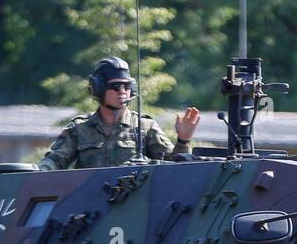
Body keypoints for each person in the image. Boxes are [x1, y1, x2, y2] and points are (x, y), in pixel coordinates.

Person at [38, 56, 200, 170]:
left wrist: (183, 141)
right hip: (88, 208)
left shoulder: (144, 127)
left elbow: (174, 167)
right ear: (99, 89)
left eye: (127, 87)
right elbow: (54, 160)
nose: (122, 92)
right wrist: (38, 172)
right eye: (115, 87)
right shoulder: (79, 129)